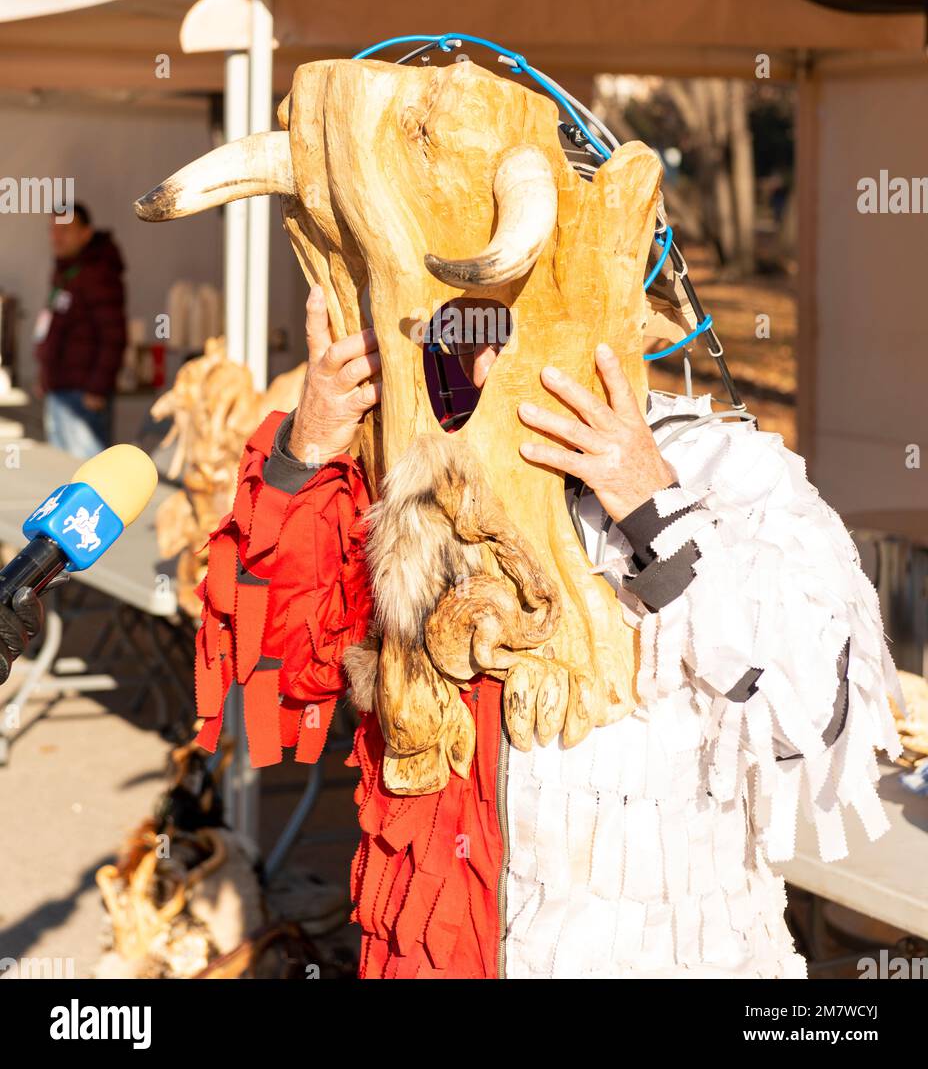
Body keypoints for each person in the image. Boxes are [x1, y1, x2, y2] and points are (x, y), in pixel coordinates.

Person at [194, 284, 900, 980]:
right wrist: (305, 452)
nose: (487, 353)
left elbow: (816, 717)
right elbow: (285, 670)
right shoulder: (417, 473)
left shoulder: (726, 467)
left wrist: (658, 511)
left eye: (516, 308)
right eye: (462, 317)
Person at [35, 202, 127, 458]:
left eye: (64, 230)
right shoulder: (65, 271)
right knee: (63, 474)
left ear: (85, 233)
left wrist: (97, 389)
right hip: (60, 391)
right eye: (52, 230)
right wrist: (45, 375)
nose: (56, 237)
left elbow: (114, 335)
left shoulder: (97, 274)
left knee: (87, 476)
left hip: (83, 396)